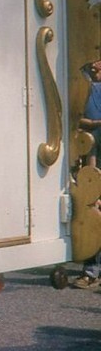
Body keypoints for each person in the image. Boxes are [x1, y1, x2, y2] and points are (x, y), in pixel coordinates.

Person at [72, 59, 101, 289]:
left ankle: (93, 271)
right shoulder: (88, 88)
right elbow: (77, 118)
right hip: (92, 157)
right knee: (92, 210)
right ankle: (92, 271)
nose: (95, 67)